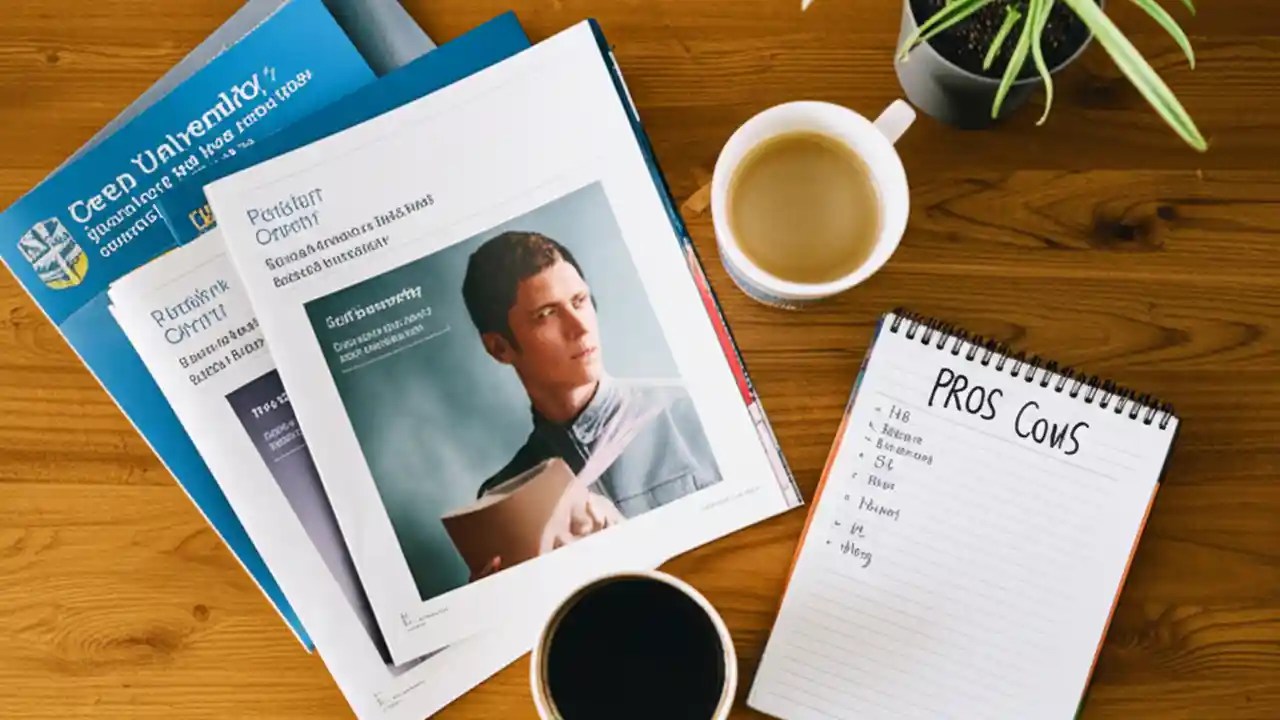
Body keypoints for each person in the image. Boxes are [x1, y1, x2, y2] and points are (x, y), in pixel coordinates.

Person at [461, 230, 722, 576]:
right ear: (499, 348)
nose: (579, 327)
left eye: (580, 301)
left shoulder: (696, 410)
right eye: (546, 314)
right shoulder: (503, 500)